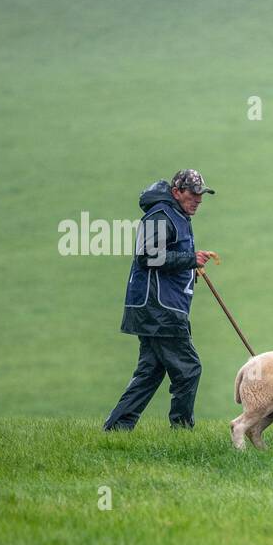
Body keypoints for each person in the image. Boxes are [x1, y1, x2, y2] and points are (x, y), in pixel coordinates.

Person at [103, 170, 220, 430]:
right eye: (193, 193)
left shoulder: (176, 215)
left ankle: (117, 428)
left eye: (201, 194)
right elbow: (147, 256)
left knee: (149, 373)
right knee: (189, 368)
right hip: (159, 309)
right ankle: (181, 430)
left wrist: (191, 260)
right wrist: (190, 260)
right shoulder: (161, 214)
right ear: (177, 191)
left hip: (158, 308)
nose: (198, 199)